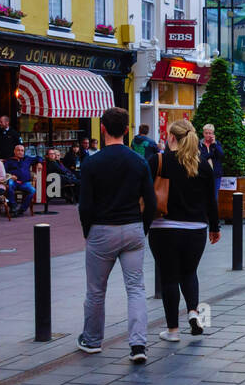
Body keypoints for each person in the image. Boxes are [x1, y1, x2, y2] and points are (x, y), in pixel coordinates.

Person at [77, 106, 157, 364]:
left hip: (101, 230)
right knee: (135, 288)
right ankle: (138, 345)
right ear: (126, 130)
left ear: (102, 128)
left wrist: (87, 230)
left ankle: (91, 340)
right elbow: (151, 201)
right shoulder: (139, 161)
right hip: (132, 228)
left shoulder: (91, 163)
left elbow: (85, 204)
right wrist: (142, 228)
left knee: (96, 290)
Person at [146, 118, 220, 342]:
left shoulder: (158, 160)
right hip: (196, 229)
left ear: (171, 137)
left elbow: (146, 195)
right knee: (189, 273)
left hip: (163, 229)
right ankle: (193, 313)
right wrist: (214, 228)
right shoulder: (203, 164)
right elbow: (211, 201)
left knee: (169, 278)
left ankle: (173, 331)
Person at [2, 144, 39, 216]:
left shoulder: (27, 159)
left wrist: (40, 163)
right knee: (10, 184)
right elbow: (3, 172)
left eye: (22, 150)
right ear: (14, 151)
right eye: (18, 150)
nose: (20, 152)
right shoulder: (9, 161)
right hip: (14, 181)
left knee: (33, 190)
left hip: (24, 183)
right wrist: (10, 176)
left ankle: (22, 209)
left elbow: (39, 157)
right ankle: (13, 206)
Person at [199, 123, 225, 190]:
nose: (208, 135)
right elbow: (200, 158)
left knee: (214, 197)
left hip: (215, 175)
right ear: (203, 133)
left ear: (213, 134)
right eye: (206, 133)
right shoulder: (199, 144)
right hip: (202, 175)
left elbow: (221, 155)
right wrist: (212, 154)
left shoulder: (217, 143)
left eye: (210, 133)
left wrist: (214, 145)